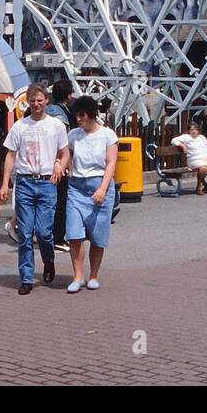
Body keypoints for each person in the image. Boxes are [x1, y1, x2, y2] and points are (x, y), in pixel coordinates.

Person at [0, 82, 70, 293]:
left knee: (44, 232)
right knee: (25, 233)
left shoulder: (55, 126)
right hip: (25, 182)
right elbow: (10, 155)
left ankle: (48, 260)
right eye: (33, 101)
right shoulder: (20, 126)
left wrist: (60, 166)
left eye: (40, 100)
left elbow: (65, 152)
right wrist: (5, 183)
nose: (36, 104)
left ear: (46, 100)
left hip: (47, 182)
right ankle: (27, 277)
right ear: (28, 103)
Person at [62, 96, 117, 293]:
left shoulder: (107, 135)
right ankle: (77, 276)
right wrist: (65, 167)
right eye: (76, 115)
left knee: (97, 235)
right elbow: (66, 154)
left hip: (99, 184)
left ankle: (93, 275)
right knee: (74, 233)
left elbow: (111, 162)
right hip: (77, 187)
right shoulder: (73, 135)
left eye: (82, 114)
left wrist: (102, 189)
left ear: (92, 114)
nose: (79, 118)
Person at [45, 78, 75, 252]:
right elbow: (61, 141)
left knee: (48, 201)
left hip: (45, 162)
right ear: (69, 95)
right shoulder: (60, 115)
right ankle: (58, 238)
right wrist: (62, 162)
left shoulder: (48, 110)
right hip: (57, 163)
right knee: (61, 201)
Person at [171, 118, 207, 194]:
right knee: (203, 168)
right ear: (188, 131)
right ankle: (199, 186)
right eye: (192, 129)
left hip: (206, 159)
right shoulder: (186, 137)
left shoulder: (202, 138)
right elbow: (173, 140)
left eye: (195, 129)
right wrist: (182, 146)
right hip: (194, 160)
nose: (194, 131)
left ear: (198, 130)